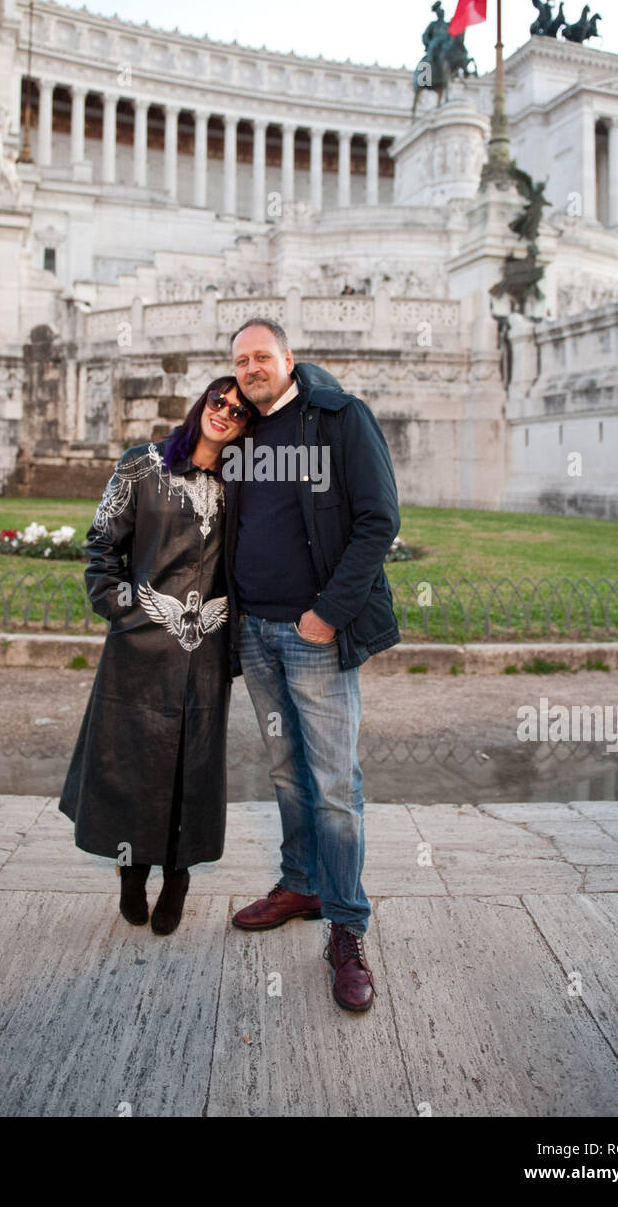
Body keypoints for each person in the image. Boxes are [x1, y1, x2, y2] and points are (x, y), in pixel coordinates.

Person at [224, 318, 401, 1012]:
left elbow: (377, 521)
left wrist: (326, 613)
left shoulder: (338, 418)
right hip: (255, 634)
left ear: (288, 360)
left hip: (312, 635)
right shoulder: (241, 430)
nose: (251, 367)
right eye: (240, 359)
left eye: (261, 356)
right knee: (284, 771)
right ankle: (299, 884)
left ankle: (346, 928)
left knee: (332, 784)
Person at [59, 377, 254, 934]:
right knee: (132, 762)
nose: (225, 413)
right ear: (203, 404)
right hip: (140, 647)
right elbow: (101, 544)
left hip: (207, 647)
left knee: (193, 764)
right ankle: (130, 871)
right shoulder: (142, 465)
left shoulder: (243, 482)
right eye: (219, 401)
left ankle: (178, 875)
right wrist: (123, 611)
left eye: (239, 411)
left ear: (246, 425)